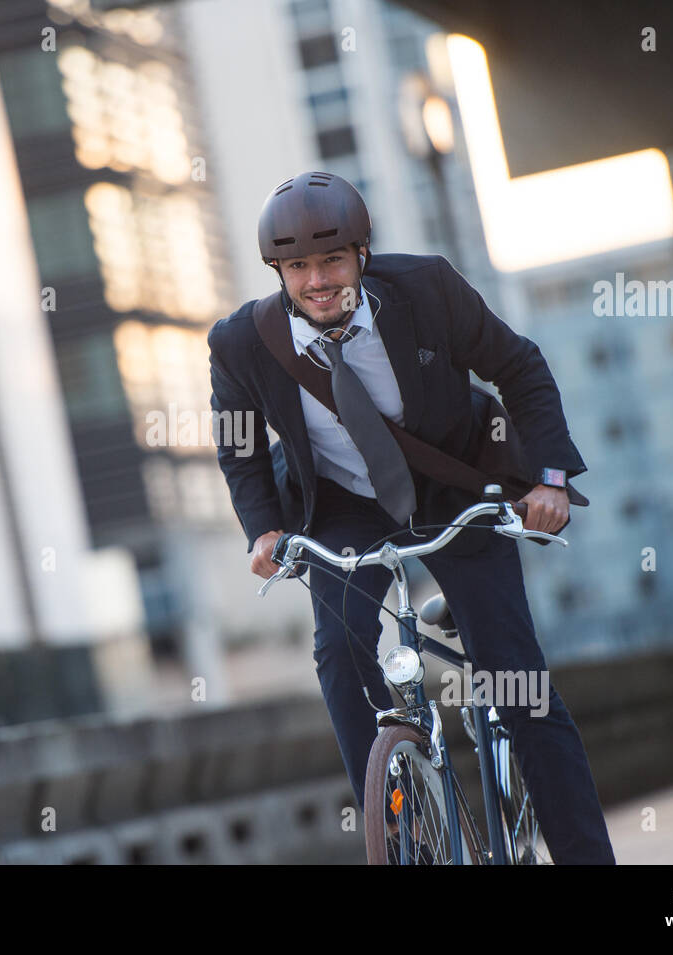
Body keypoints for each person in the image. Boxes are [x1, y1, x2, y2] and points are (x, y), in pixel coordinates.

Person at [207, 170, 616, 864]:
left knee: (517, 685)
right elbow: (241, 448)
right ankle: (403, 831)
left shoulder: (427, 289)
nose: (317, 280)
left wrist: (548, 480)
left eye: (332, 259)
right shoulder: (241, 343)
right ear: (277, 270)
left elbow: (519, 368)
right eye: (298, 266)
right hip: (341, 506)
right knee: (338, 653)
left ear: (362, 255)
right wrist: (264, 531)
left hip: (458, 492)